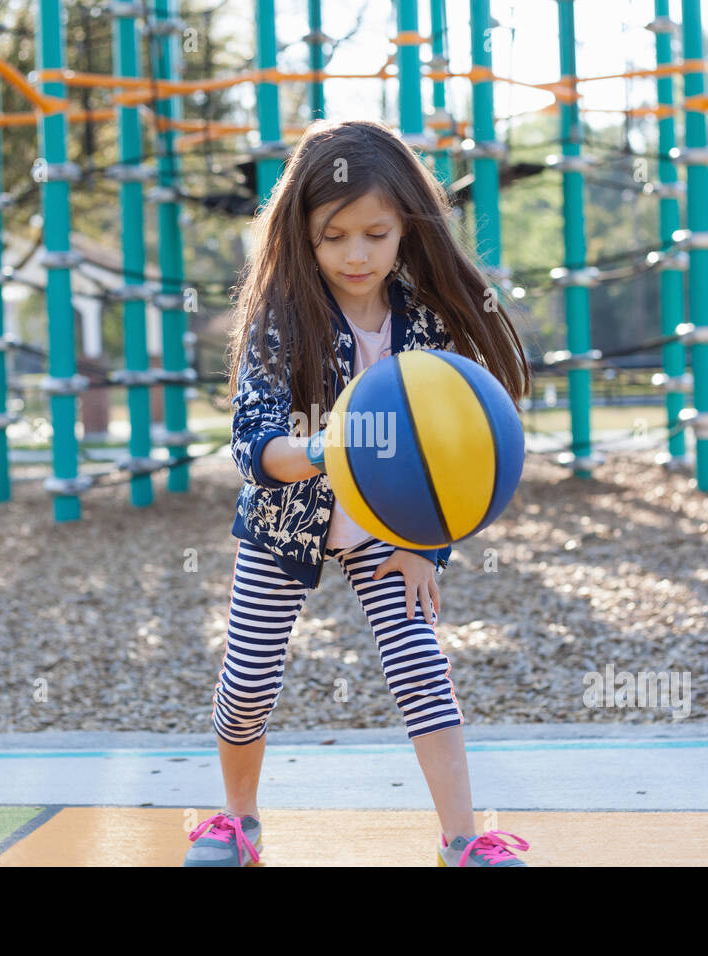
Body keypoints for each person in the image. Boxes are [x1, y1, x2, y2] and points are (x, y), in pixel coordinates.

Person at [185, 119, 533, 867]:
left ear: (406, 227)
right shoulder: (283, 318)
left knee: (422, 672)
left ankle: (463, 840)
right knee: (246, 682)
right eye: (333, 236)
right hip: (284, 523)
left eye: (376, 233)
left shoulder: (426, 323)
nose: (356, 254)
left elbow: (452, 451)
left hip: (391, 530)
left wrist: (425, 549)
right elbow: (252, 441)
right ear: (304, 235)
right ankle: (238, 822)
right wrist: (321, 451)